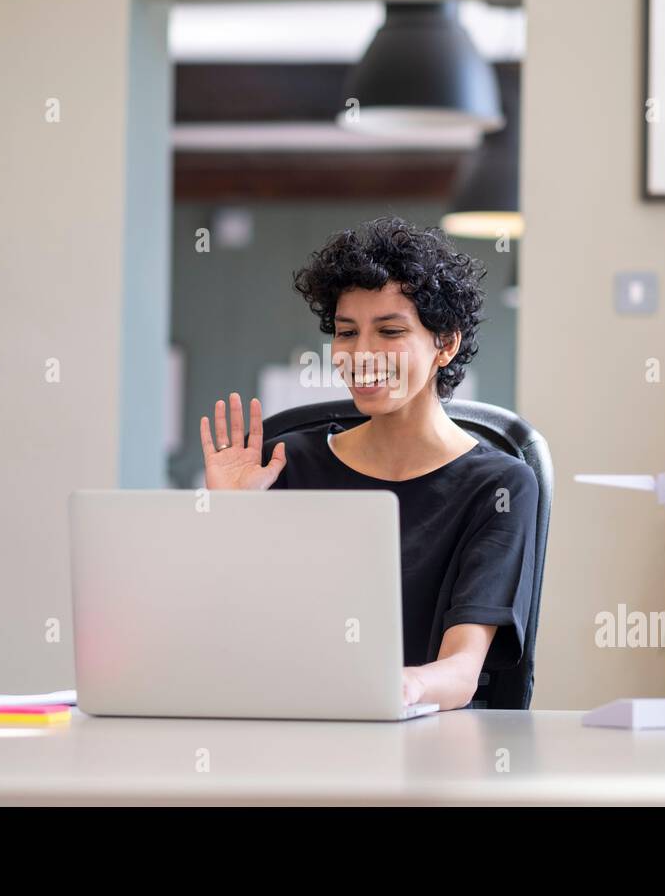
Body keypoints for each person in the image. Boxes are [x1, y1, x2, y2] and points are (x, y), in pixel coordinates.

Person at [200, 216, 537, 711]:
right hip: (295, 729)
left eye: (390, 331)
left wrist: (401, 686)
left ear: (445, 344)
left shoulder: (500, 487)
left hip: (425, 747)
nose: (361, 355)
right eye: (346, 332)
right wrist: (228, 519)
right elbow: (232, 642)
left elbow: (462, 673)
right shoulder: (282, 465)